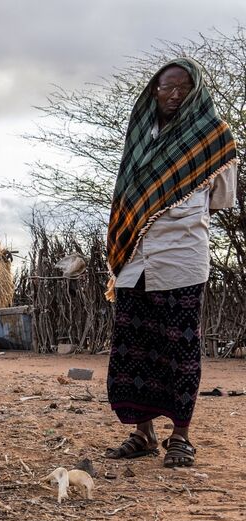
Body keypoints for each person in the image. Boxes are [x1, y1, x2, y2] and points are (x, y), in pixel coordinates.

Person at [104, 58, 238, 468]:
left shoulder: (216, 138)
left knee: (179, 348)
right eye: (167, 88)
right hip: (134, 261)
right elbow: (125, 192)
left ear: (195, 92)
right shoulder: (141, 135)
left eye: (182, 88)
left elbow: (221, 200)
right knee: (133, 348)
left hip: (182, 259)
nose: (174, 95)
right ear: (154, 91)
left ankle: (181, 437)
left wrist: (174, 210)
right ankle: (143, 435)